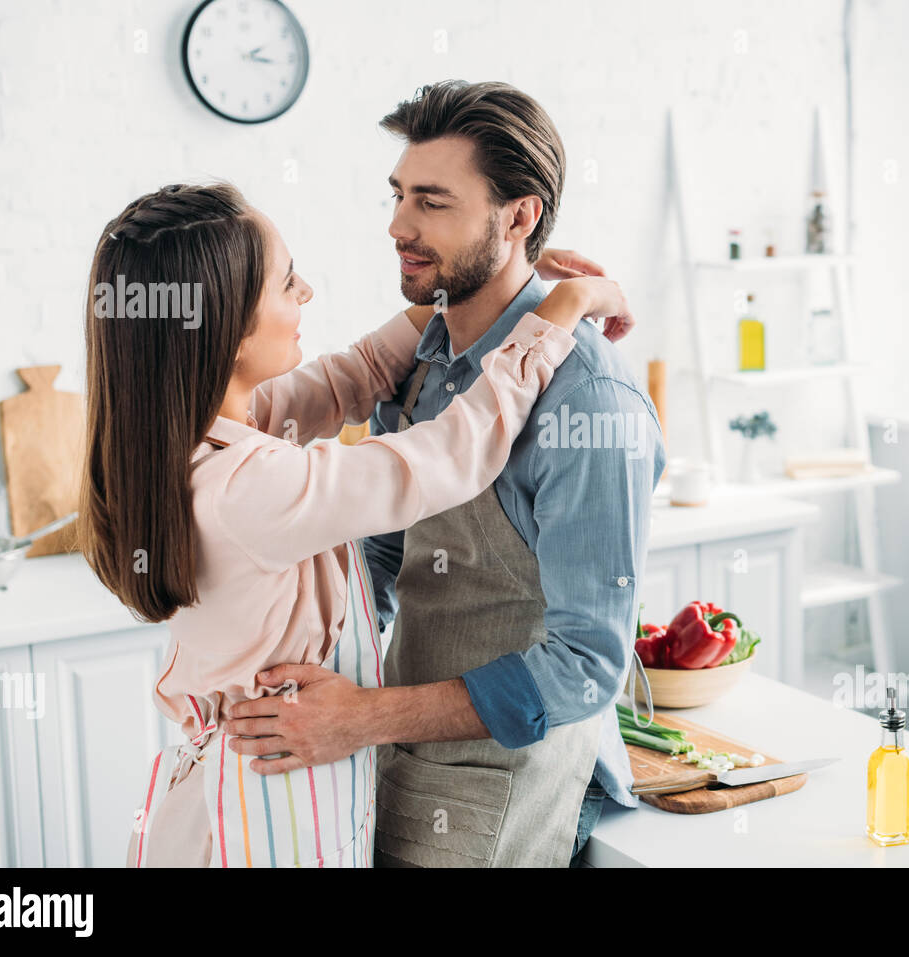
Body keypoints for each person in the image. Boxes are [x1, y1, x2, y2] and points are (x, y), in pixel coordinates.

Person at [77, 181, 633, 866]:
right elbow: (451, 453)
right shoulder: (250, 487)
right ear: (226, 332)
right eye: (286, 283)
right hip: (264, 820)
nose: (306, 291)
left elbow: (357, 374)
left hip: (234, 799)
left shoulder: (196, 435)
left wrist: (486, 284)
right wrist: (562, 310)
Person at [225, 81, 666, 867]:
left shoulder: (590, 398)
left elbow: (585, 663)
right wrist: (319, 684)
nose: (398, 225)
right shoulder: (424, 356)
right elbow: (386, 553)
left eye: (432, 201)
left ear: (519, 216)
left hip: (503, 793)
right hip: (393, 764)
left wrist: (362, 717)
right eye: (399, 195)